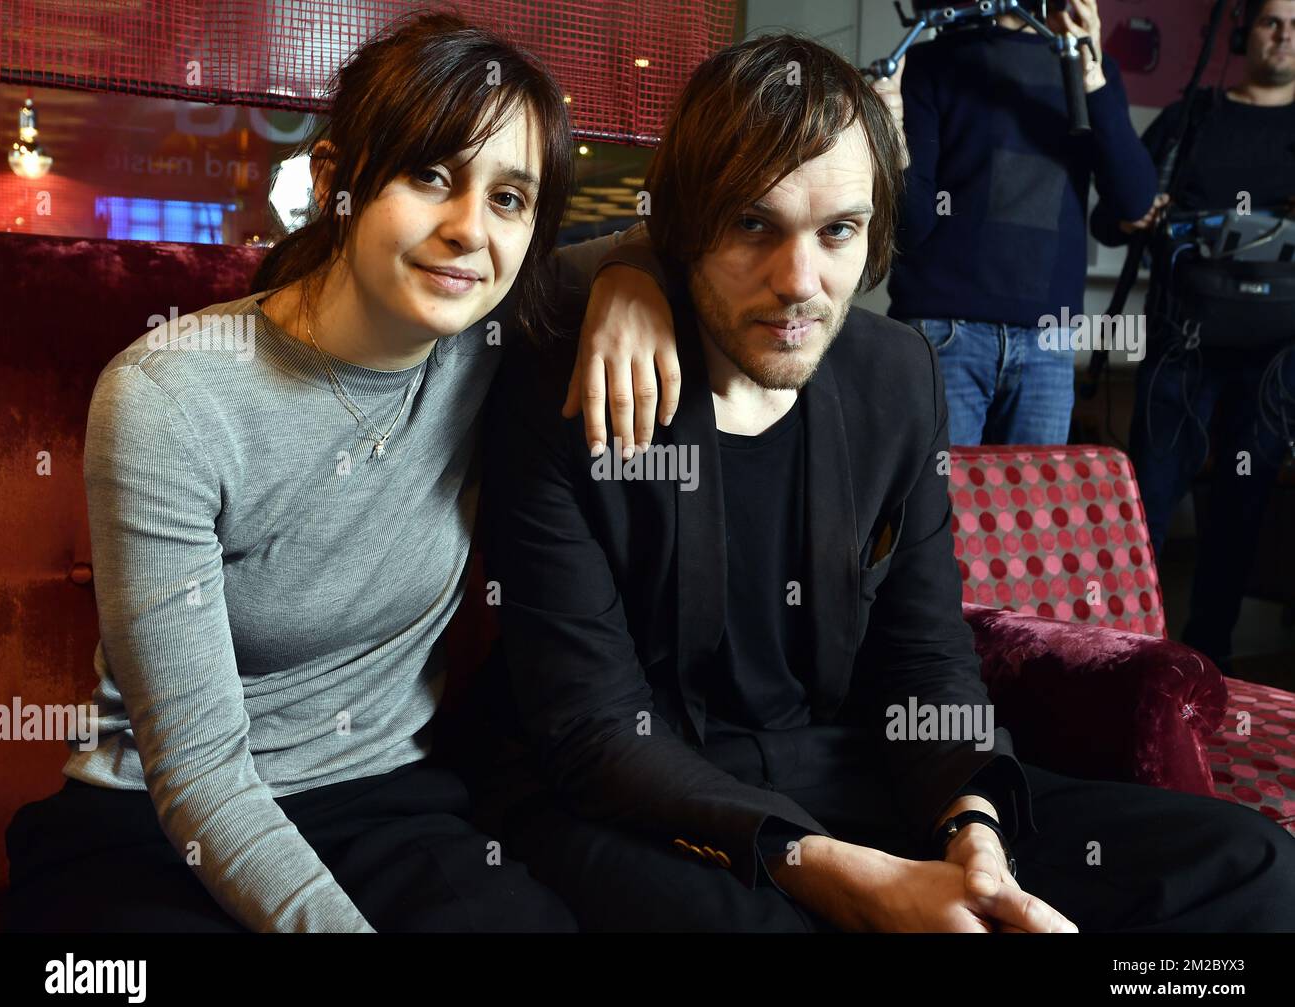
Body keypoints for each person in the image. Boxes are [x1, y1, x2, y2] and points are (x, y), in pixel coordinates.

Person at [469, 32, 1295, 933]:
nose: (801, 282)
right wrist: (849, 880)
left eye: (839, 231)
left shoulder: (895, 377)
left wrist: (971, 829)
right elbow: (594, 734)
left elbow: (928, 655)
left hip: (848, 767)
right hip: (640, 796)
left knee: (1255, 866)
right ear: (682, 226)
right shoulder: (563, 387)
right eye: (753, 224)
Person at [3, 12, 677, 934]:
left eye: (510, 199)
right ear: (335, 183)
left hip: (385, 804)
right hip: (159, 827)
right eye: (428, 174)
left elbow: (686, 238)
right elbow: (198, 774)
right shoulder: (170, 395)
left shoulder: (490, 334)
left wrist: (627, 284)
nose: (467, 231)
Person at [1093, 0, 1295, 673]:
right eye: (1272, 20)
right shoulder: (1190, 119)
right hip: (1181, 353)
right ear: (1244, 32)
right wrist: (1136, 216)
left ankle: (1207, 672)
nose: (1285, 34)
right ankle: (1124, 664)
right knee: (1145, 508)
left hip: (1271, 366)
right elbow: (1114, 214)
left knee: (1239, 518)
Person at [890, 0, 1157, 445]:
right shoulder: (934, 60)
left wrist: (1091, 72)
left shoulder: (1087, 66)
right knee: (935, 509)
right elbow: (908, 226)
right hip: (944, 330)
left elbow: (1133, 202)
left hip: (1048, 340)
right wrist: (893, 139)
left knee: (1031, 512)